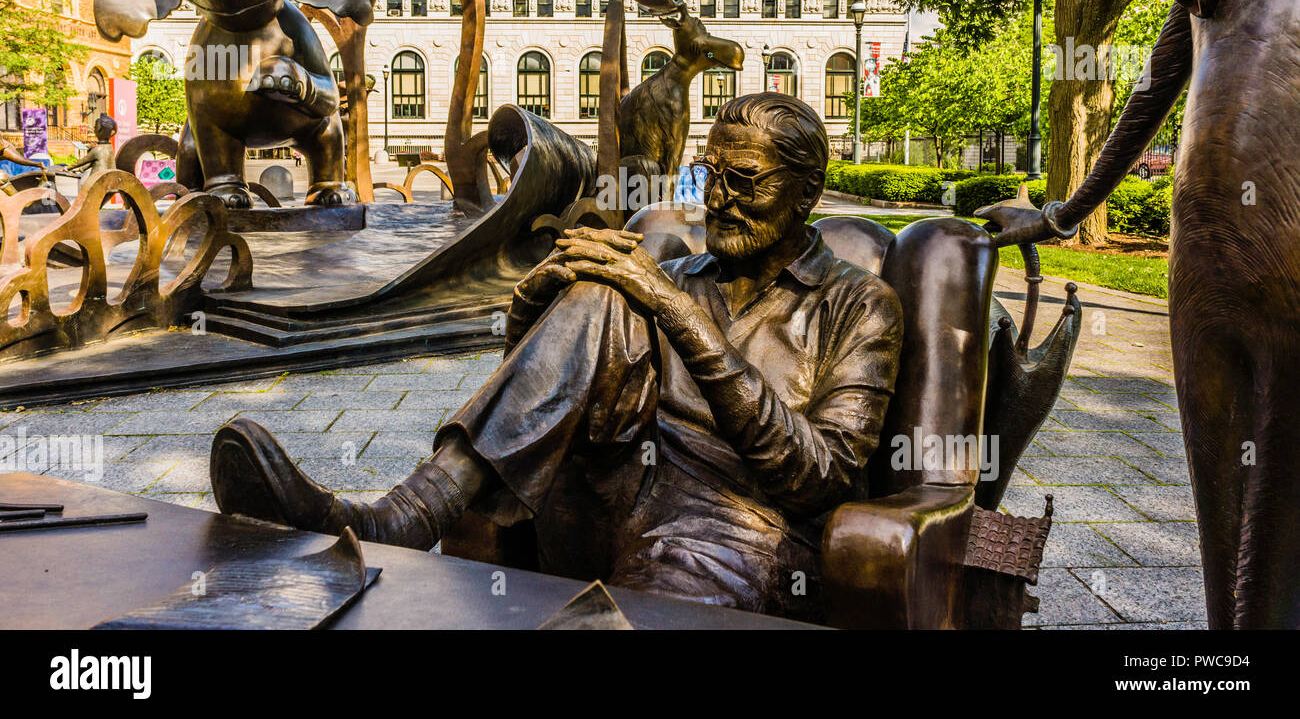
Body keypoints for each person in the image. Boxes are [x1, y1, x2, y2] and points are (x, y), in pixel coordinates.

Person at [211, 92, 903, 619]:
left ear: (805, 193)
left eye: (744, 181)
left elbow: (823, 479)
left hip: (737, 527)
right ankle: (401, 518)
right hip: (609, 491)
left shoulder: (859, 306)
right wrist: (534, 305)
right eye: (709, 174)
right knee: (603, 288)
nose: (717, 199)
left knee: (634, 610)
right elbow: (540, 405)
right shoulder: (677, 274)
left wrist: (680, 315)